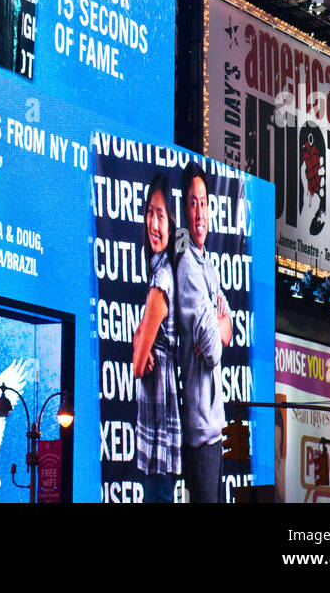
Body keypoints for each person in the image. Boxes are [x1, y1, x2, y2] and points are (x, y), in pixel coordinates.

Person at [176, 161, 232, 503]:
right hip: (199, 429)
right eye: (193, 203)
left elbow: (229, 327)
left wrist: (219, 323)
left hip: (214, 427)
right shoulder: (186, 266)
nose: (199, 212)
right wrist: (217, 325)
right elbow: (212, 348)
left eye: (204, 203)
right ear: (185, 210)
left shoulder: (206, 263)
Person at [132, 173, 182, 503]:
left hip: (159, 439)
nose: (153, 223)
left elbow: (137, 364)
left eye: (161, 215)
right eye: (150, 212)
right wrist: (141, 341)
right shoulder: (164, 269)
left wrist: (141, 345)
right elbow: (140, 340)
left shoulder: (162, 277)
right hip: (159, 434)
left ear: (173, 222)